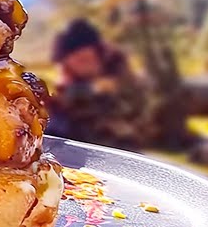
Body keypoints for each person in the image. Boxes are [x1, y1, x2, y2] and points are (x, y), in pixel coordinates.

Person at [46, 19, 146, 150]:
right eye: (73, 60)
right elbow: (62, 97)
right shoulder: (69, 83)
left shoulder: (120, 73)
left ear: (99, 53)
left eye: (84, 59)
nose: (79, 64)